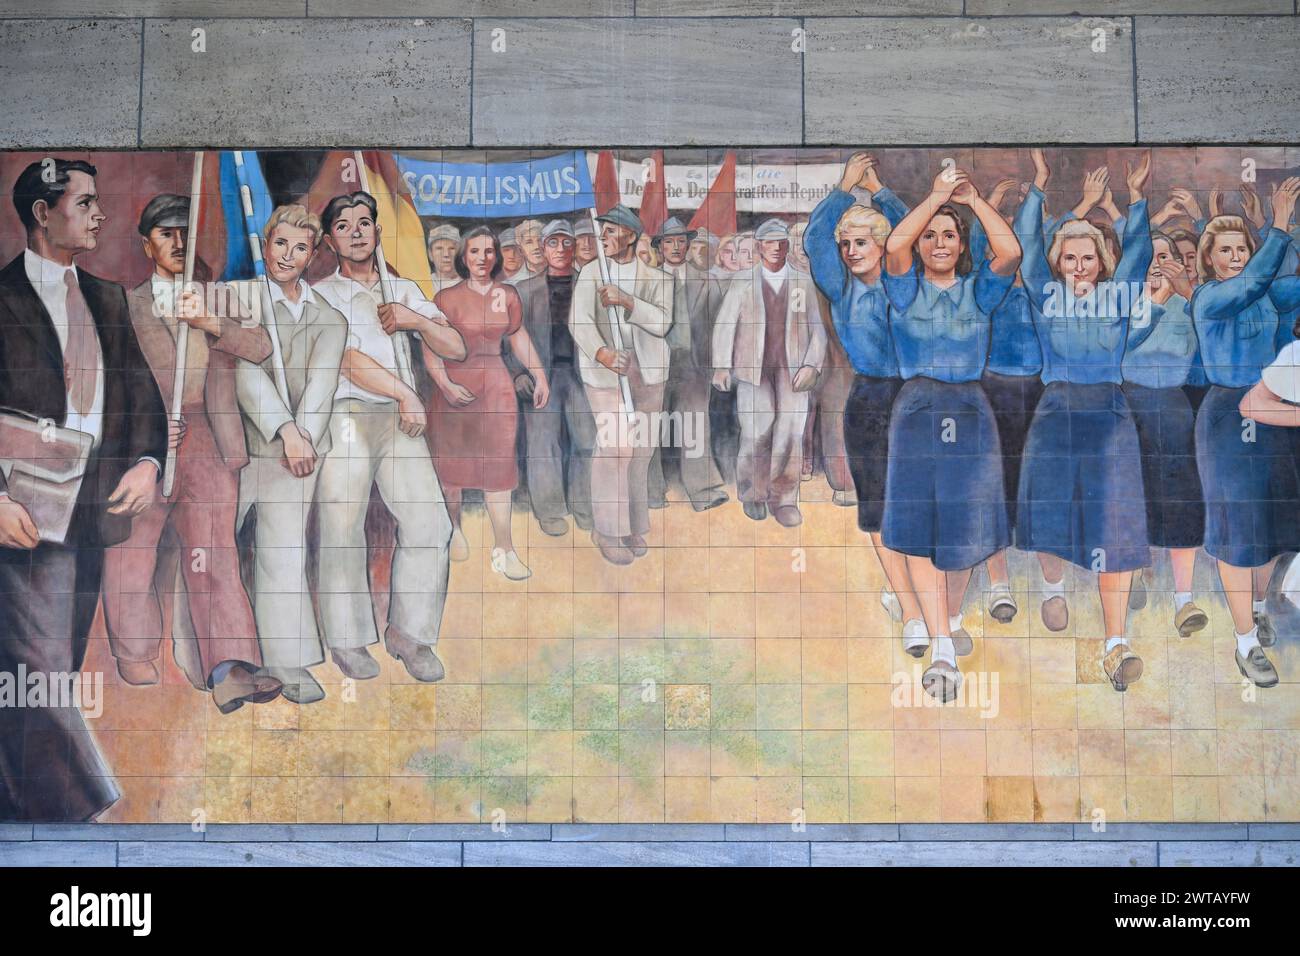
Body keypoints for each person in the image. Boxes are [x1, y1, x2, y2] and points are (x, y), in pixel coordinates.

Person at [0, 159, 168, 820]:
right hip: (18, 517)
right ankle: (85, 810)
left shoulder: (106, 297)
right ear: (42, 213)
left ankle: (19, 812)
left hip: (91, 515)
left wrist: (148, 462)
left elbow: (141, 397)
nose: (100, 215)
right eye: (85, 202)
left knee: (48, 671)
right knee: (38, 670)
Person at [102, 193, 280, 713]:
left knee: (213, 555)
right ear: (146, 245)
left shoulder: (216, 298)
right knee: (132, 552)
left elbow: (262, 347)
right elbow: (106, 382)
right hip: (145, 444)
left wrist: (209, 323)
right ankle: (134, 653)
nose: (178, 242)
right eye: (165, 234)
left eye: (185, 231)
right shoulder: (121, 304)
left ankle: (229, 669)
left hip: (208, 439)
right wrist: (146, 433)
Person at [312, 191, 466, 685]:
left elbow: (455, 346)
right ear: (330, 240)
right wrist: (405, 392)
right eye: (343, 225)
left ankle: (410, 634)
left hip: (400, 419)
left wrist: (414, 319)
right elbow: (346, 360)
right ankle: (347, 637)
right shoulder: (322, 294)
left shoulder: (401, 288)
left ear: (378, 232)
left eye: (364, 222)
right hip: (346, 416)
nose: (356, 232)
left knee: (430, 523)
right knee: (342, 528)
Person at [1015, 149, 1155, 693]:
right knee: (1050, 506)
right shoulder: (1044, 295)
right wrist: (1039, 186)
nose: (1078, 267)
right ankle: (1054, 590)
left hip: (1110, 414)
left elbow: (1139, 255)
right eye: (1069, 258)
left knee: (1115, 522)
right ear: (1058, 263)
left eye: (1088, 258)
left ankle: (1115, 642)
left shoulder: (1120, 296)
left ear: (1101, 262)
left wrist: (1138, 196)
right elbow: (1027, 250)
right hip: (1056, 413)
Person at [881, 165, 1020, 702]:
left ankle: (953, 617)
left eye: (950, 234)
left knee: (965, 530)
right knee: (918, 528)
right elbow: (894, 244)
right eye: (932, 235)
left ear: (963, 244)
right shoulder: (901, 287)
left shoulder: (980, 292)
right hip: (916, 412)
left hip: (970, 413)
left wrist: (974, 200)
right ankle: (942, 645)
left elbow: (1009, 253)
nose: (939, 243)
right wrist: (936, 197)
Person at [807, 152, 925, 652]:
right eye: (847, 244)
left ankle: (923, 597)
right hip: (871, 399)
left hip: (919, 399)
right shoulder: (840, 288)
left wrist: (879, 193)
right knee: (877, 506)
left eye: (862, 242)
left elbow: (911, 232)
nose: (852, 251)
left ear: (884, 246)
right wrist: (844, 187)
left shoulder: (907, 280)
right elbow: (815, 240)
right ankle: (912, 610)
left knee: (916, 503)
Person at [234, 204, 347, 705]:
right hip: (238, 447)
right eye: (280, 244)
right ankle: (209, 657)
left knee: (283, 553)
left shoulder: (331, 318)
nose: (288, 255)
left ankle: (286, 662)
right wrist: (283, 428)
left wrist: (302, 438)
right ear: (265, 245)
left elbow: (322, 387)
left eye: (300, 248)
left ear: (313, 255)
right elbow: (245, 372)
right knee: (212, 548)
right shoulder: (242, 301)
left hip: (295, 457)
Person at [1196, 179, 1300, 688]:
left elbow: (1283, 285)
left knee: (1273, 527)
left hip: (1272, 411)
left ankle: (1257, 609)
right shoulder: (1209, 297)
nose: (1235, 257)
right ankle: (1243, 644)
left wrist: (1283, 231)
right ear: (1210, 259)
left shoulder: (1265, 292)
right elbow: (1254, 285)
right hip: (1227, 419)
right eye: (1226, 250)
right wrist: (1277, 224)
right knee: (1238, 534)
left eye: (1242, 249)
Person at [425, 226, 549, 579]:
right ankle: (454, 529)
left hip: (496, 386)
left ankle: (504, 548)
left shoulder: (507, 294)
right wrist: (444, 383)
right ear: (465, 257)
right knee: (451, 466)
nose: (482, 258)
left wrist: (538, 374)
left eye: (489, 251)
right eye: (475, 251)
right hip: (454, 387)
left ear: (496, 256)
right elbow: (430, 346)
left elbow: (518, 336)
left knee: (499, 467)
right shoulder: (445, 299)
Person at [568, 204, 672, 565]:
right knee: (616, 448)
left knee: (640, 454)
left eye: (612, 231)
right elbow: (578, 322)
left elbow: (661, 324)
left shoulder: (659, 279)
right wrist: (603, 354)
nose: (604, 238)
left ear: (631, 235)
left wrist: (627, 301)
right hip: (606, 372)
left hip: (648, 373)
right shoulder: (591, 273)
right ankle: (608, 530)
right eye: (603, 231)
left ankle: (633, 525)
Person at [1119, 230, 1208, 638]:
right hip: (1129, 405)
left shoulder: (1190, 305)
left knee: (1181, 500)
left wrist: (1186, 294)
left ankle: (1184, 598)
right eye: (1149, 257)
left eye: (1165, 256)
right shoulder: (1121, 304)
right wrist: (1154, 298)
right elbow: (1125, 343)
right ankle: (1137, 569)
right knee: (1133, 495)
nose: (1157, 264)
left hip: (1173, 408)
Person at [713, 217, 827, 527]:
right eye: (769, 242)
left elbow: (817, 331)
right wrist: (721, 365)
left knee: (791, 432)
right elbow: (725, 324)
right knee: (756, 431)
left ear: (787, 246)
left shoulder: (803, 281)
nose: (776, 247)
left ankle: (784, 498)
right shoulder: (743, 281)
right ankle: (752, 493)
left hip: (791, 370)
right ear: (760, 246)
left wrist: (811, 365)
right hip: (753, 369)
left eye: (781, 242)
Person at [975, 177, 1044, 626]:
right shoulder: (986, 289)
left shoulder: (1042, 289)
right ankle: (999, 582)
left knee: (1034, 482)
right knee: (991, 483)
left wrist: (1036, 189)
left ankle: (1049, 582)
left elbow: (1040, 231)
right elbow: (983, 241)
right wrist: (993, 201)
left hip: (1037, 391)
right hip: (992, 390)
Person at [511, 219, 596, 536]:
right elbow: (510, 337)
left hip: (583, 378)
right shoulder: (523, 291)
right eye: (553, 243)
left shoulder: (591, 286)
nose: (560, 249)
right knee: (543, 444)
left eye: (566, 243)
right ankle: (549, 510)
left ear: (574, 248)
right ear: (543, 249)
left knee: (587, 443)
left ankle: (584, 505)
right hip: (541, 376)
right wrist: (519, 372)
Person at [648, 216, 728, 512]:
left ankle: (703, 488)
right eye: (669, 242)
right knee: (649, 426)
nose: (676, 247)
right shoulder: (645, 281)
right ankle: (650, 491)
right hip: (654, 365)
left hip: (695, 364)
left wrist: (720, 364)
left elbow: (722, 327)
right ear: (659, 247)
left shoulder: (708, 281)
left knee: (695, 424)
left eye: (681, 241)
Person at [427, 222, 462, 294]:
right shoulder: (424, 283)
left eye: (452, 248)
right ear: (430, 254)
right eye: (439, 248)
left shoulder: (469, 284)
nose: (446, 254)